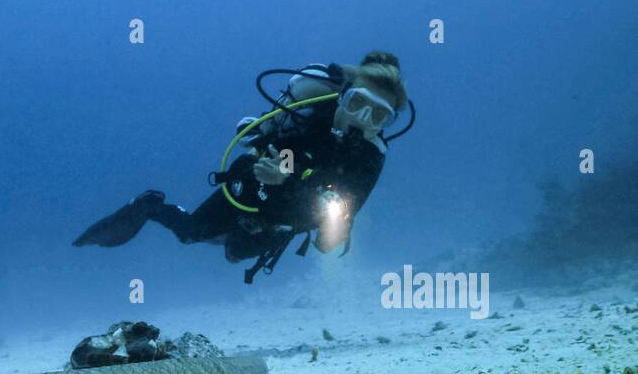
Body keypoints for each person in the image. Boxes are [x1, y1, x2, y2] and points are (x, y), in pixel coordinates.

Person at [73, 52, 409, 281]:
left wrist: (336, 224)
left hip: (290, 215)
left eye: (378, 115)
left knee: (234, 253)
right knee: (190, 234)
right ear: (343, 96)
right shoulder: (308, 116)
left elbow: (337, 223)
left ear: (386, 124)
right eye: (358, 103)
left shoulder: (371, 154)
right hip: (255, 187)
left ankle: (233, 236)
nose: (362, 118)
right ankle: (148, 206)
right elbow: (281, 148)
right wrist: (282, 169)